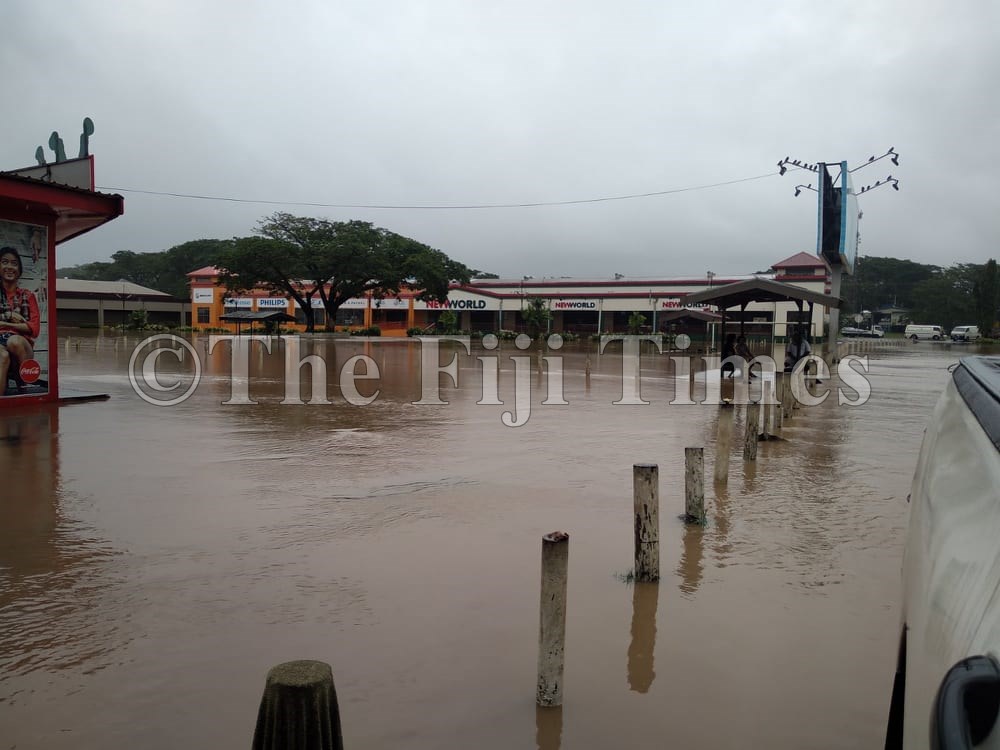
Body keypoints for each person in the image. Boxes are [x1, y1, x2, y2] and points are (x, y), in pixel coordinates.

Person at [1, 247, 41, 395]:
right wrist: (17, 320)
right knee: (2, 357)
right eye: (5, 262)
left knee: (15, 341)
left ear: (19, 269)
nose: (10, 267)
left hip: (22, 344)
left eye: (14, 263)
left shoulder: (27, 296)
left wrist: (5, 323)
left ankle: (24, 389)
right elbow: (27, 325)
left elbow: (35, 329)